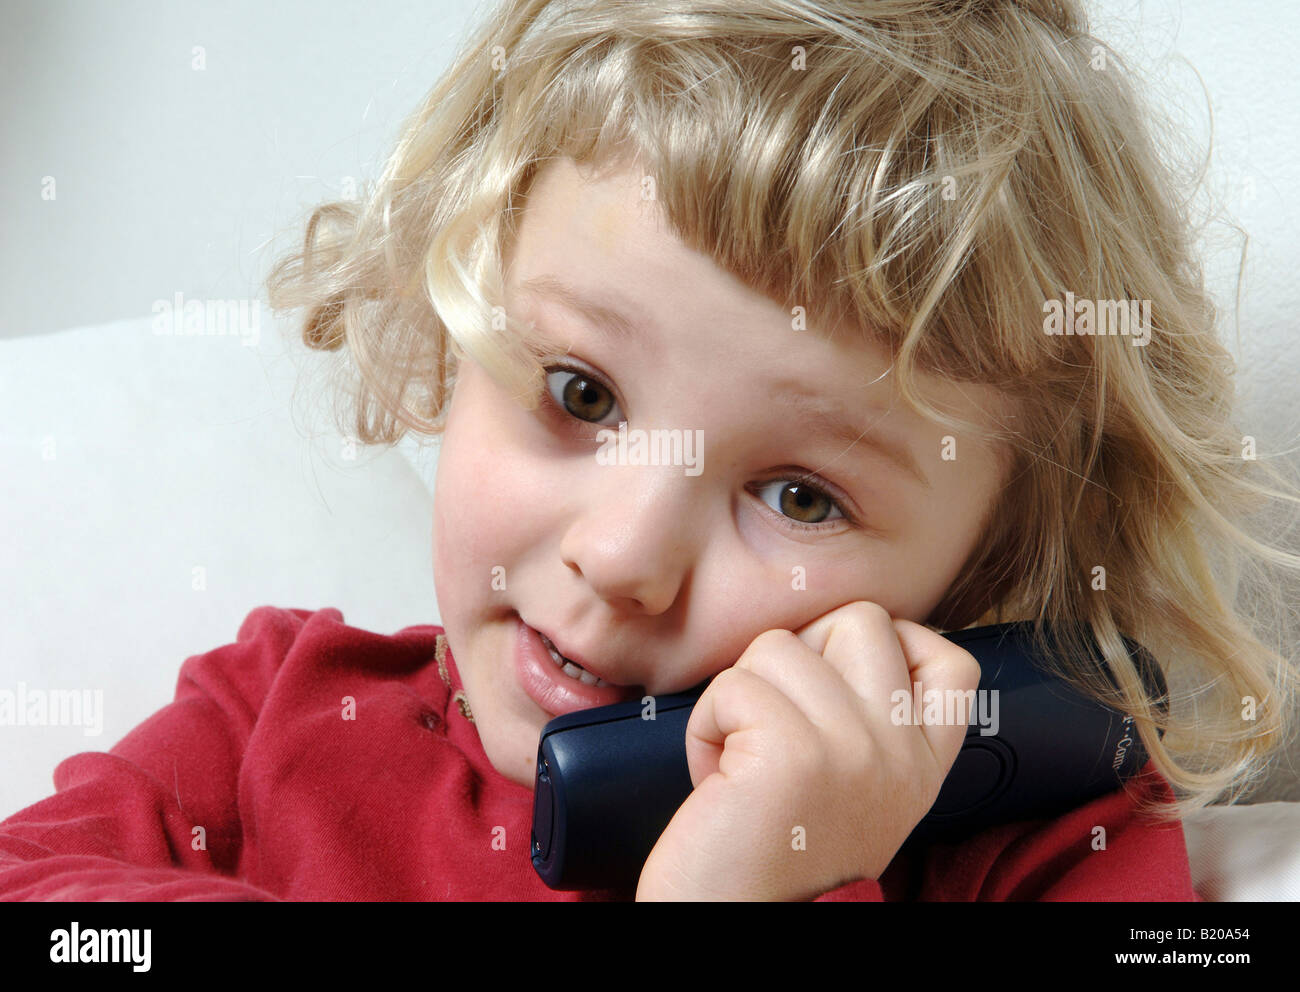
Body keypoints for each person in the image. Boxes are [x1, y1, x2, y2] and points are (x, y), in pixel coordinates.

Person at [3, 0, 1295, 901]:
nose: (622, 556)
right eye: (580, 391)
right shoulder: (272, 709)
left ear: (991, 569)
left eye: (799, 493)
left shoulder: (1030, 841)